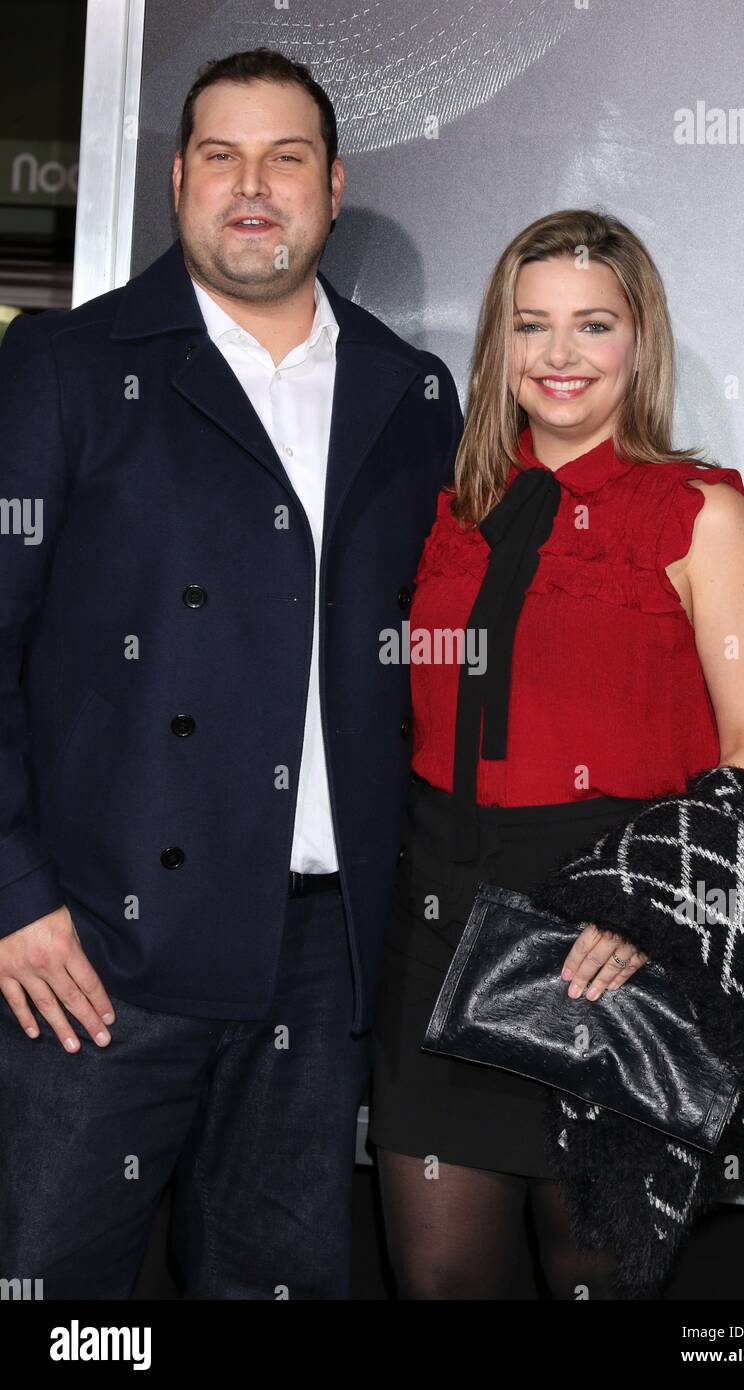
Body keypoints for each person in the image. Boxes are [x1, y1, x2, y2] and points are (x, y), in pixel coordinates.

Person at [0, 48, 461, 1299]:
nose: (252, 186)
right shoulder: (66, 367)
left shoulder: (412, 392)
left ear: (332, 185)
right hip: (94, 949)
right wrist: (13, 892)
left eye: (285, 157)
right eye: (222, 156)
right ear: (176, 181)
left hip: (319, 962)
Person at [369, 208, 744, 1300]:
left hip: (607, 932)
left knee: (596, 1278)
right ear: (496, 345)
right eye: (530, 325)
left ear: (635, 343)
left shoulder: (697, 518)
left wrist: (645, 913)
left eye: (591, 325)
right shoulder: (453, 511)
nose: (557, 356)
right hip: (438, 920)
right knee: (438, 1278)